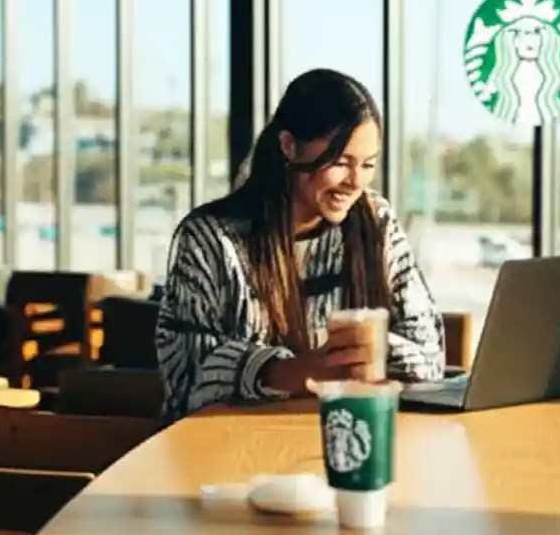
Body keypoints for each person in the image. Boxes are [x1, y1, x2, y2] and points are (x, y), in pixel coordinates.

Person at [155, 68, 445, 421]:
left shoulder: (376, 222)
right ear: (289, 146)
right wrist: (291, 371)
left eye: (368, 164)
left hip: (350, 432)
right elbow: (186, 377)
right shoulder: (210, 239)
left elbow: (430, 357)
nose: (356, 182)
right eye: (340, 162)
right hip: (232, 447)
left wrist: (372, 349)